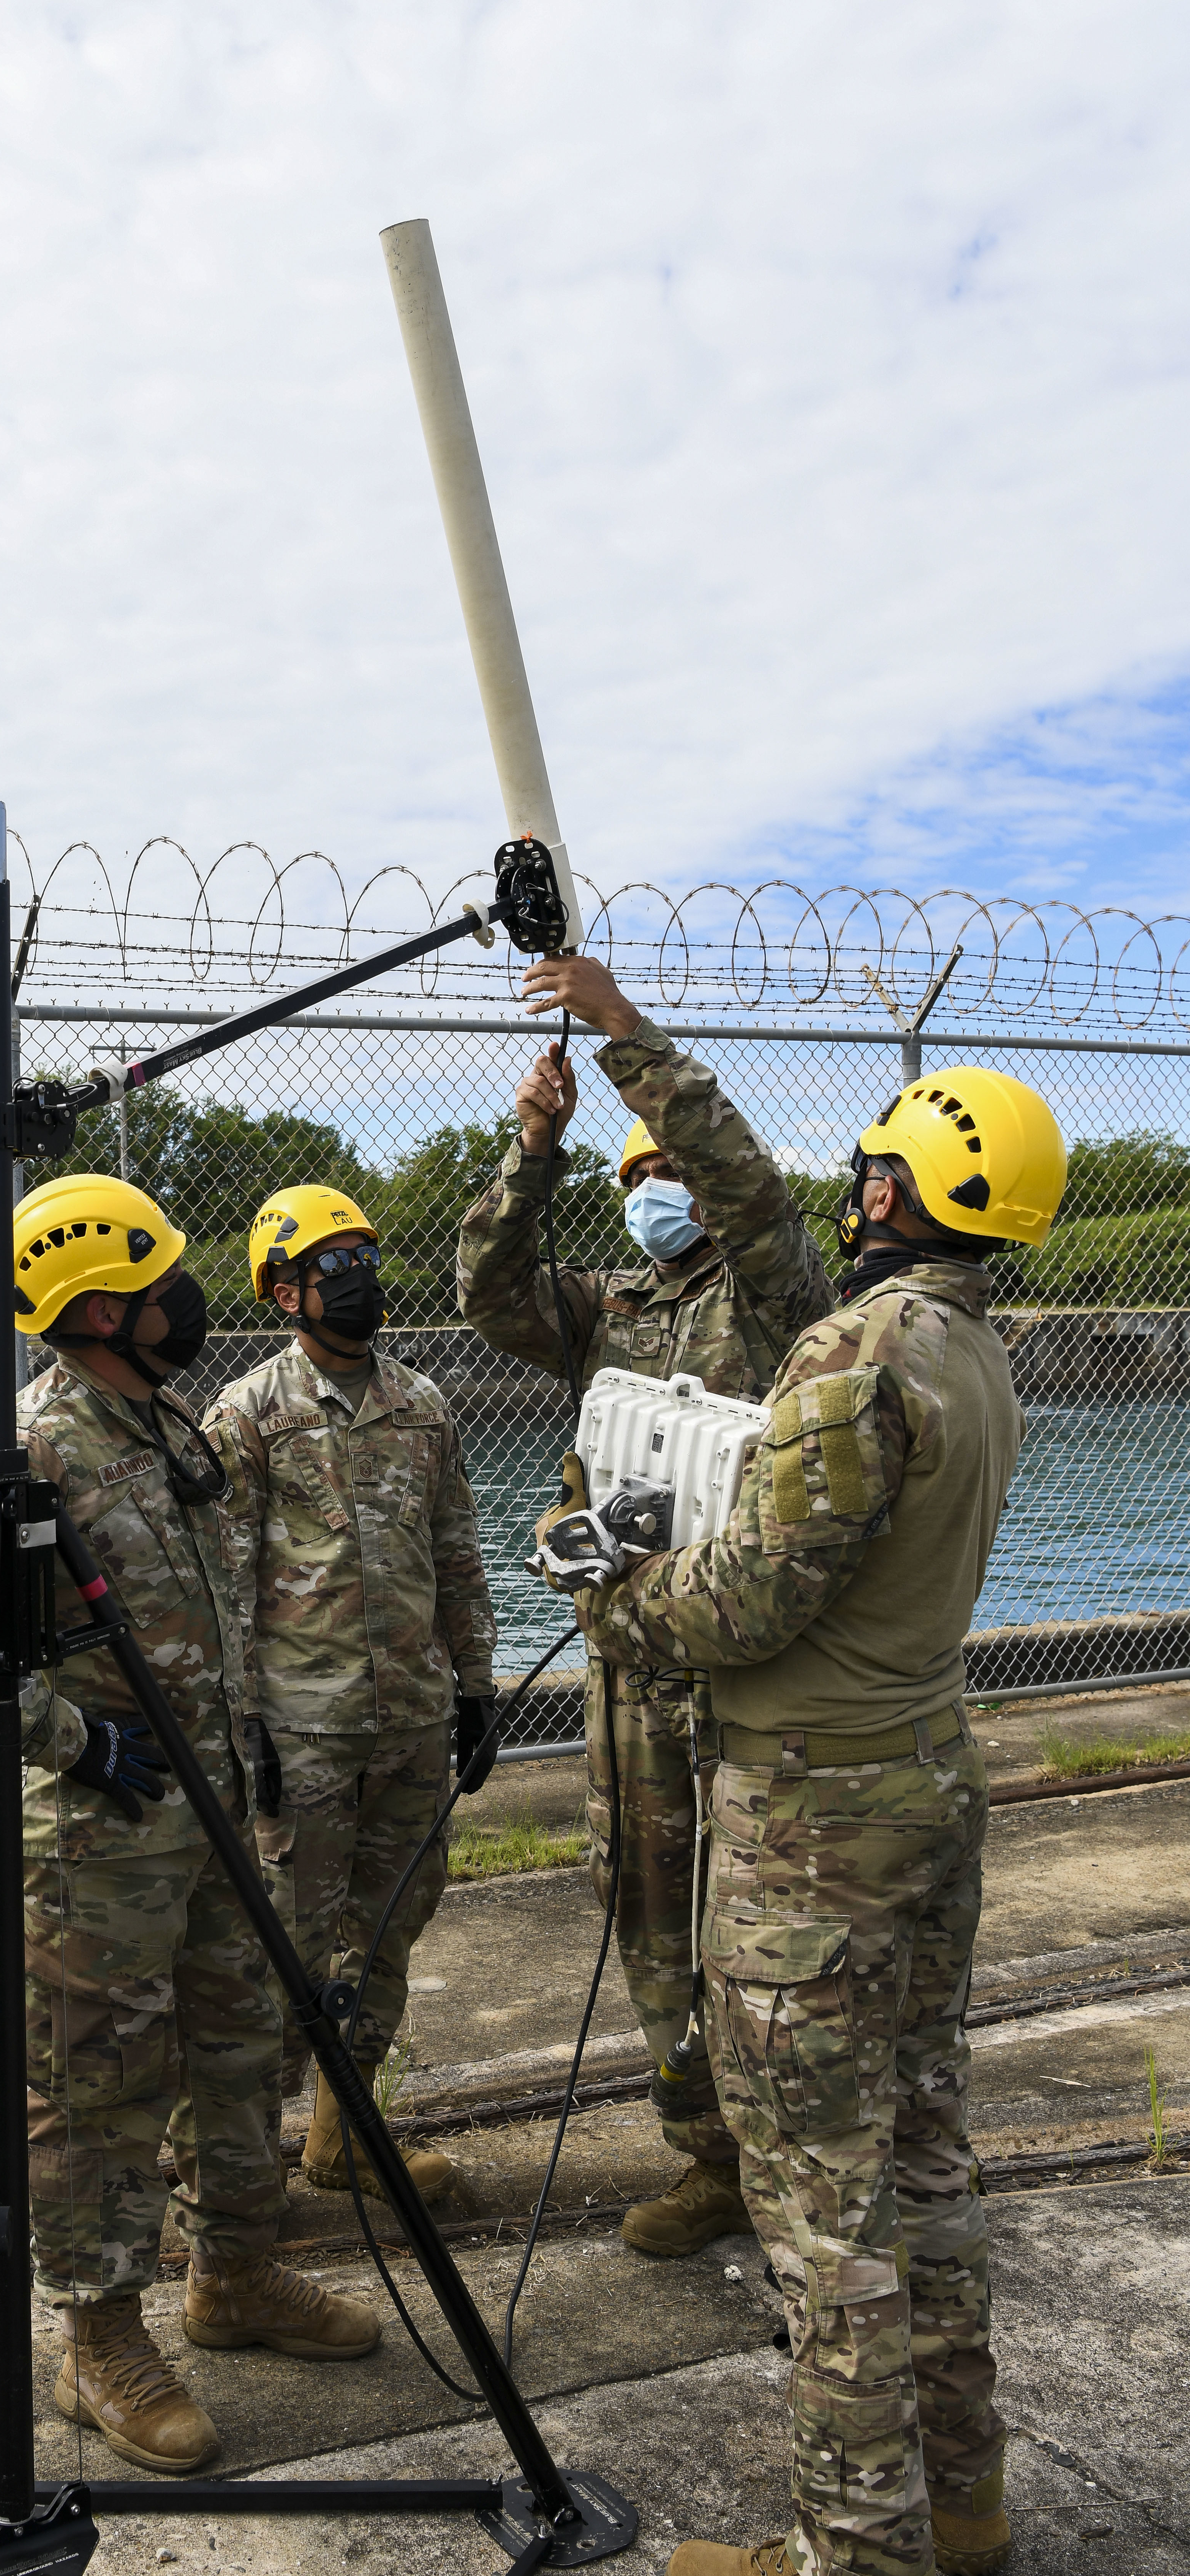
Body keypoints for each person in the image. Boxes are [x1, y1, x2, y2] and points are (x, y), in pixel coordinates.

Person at [563, 1067, 1067, 2576]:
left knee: (820, 2200)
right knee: (923, 2150)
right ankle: (963, 2499)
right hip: (926, 1783)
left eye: (872, 1175)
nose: (854, 1196)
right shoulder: (979, 1349)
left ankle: (859, 2574)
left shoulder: (858, 1353)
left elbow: (739, 1609)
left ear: (901, 1193)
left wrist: (610, 1582)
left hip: (812, 1825)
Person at [0, 1170, 379, 2477]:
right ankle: (100, 2344)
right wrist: (71, 1739)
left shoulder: (169, 1418)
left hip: (217, 1804)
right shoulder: (24, 1450)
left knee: (240, 2050)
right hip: (101, 1838)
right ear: (104, 1309)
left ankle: (235, 2275)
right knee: (98, 2091)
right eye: (163, 1279)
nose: (188, 1296)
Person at [458, 948, 833, 2257]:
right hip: (629, 1672)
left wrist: (626, 1037)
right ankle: (706, 2156)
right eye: (640, 1181)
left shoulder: (780, 1295)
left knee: (758, 1914)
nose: (660, 1194)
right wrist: (538, 1144)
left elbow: (756, 1193)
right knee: (650, 1909)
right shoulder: (599, 1312)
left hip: (742, 1665)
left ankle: (779, 2144)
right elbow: (487, 1291)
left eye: (670, 1174)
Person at [204, 1185, 500, 2205]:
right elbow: (224, 1583)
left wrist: (476, 1684)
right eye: (333, 1266)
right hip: (306, 1731)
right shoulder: (248, 1413)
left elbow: (457, 1553)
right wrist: (249, 1729)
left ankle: (345, 2139)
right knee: (278, 1953)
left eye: (364, 1260)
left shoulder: (423, 1404)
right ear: (285, 1292)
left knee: (385, 1936)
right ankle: (238, 2188)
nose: (357, 1281)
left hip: (412, 1722)